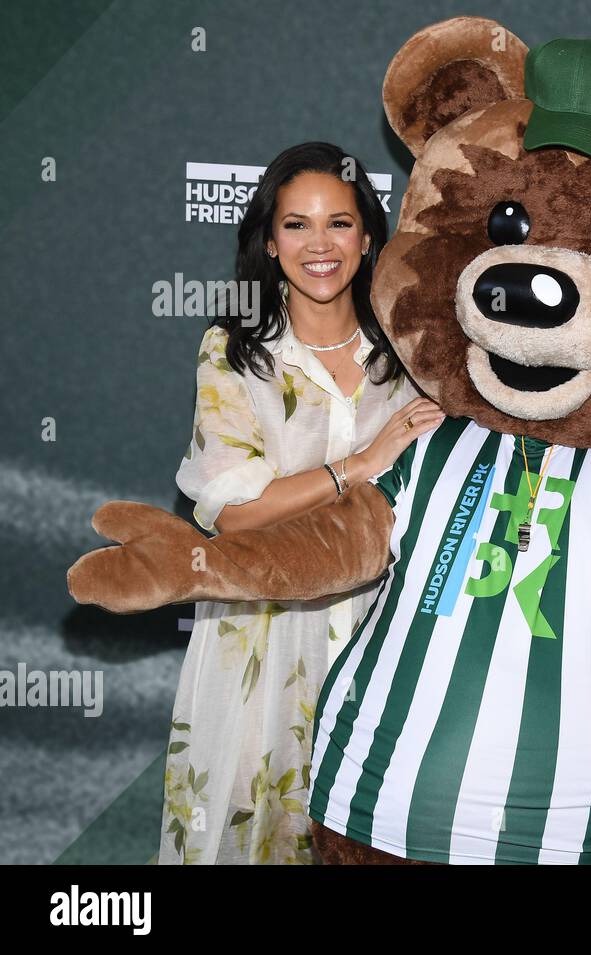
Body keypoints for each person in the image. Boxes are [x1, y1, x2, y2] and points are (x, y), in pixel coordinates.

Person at [158, 142, 443, 864]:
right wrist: (362, 464)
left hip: (387, 637)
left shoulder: (413, 354)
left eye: (339, 223)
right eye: (296, 225)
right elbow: (232, 510)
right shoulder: (235, 351)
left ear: (369, 235)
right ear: (269, 239)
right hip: (264, 638)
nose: (320, 245)